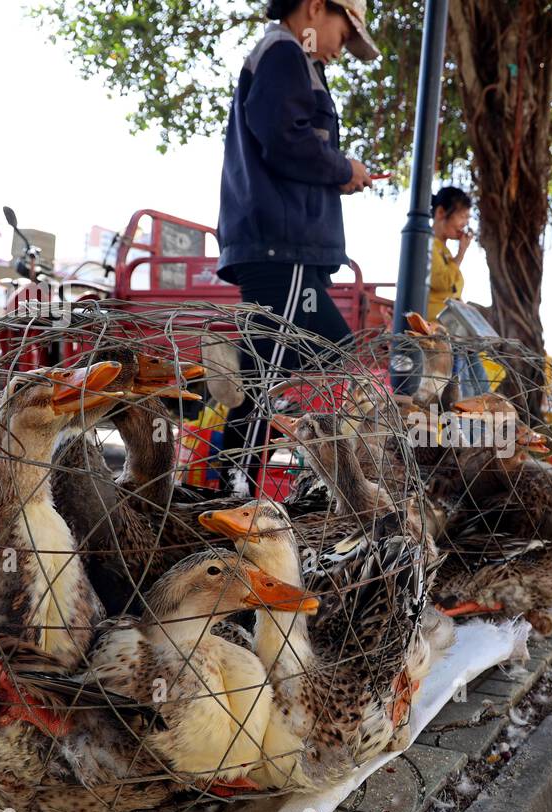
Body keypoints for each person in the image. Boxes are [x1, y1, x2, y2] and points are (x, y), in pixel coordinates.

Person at [214, 0, 379, 485]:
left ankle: (234, 367)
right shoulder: (284, 54)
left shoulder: (292, 58)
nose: (341, 49)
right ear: (313, 8)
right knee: (272, 369)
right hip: (278, 245)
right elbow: (285, 140)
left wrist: (337, 170)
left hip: (287, 249)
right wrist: (343, 168)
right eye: (344, 35)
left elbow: (292, 139)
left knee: (332, 349)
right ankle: (235, 487)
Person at [427, 186, 473, 321]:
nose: (464, 224)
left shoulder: (444, 251)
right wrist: (461, 253)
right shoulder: (427, 244)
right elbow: (443, 283)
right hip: (432, 328)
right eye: (462, 216)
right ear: (441, 212)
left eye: (467, 218)